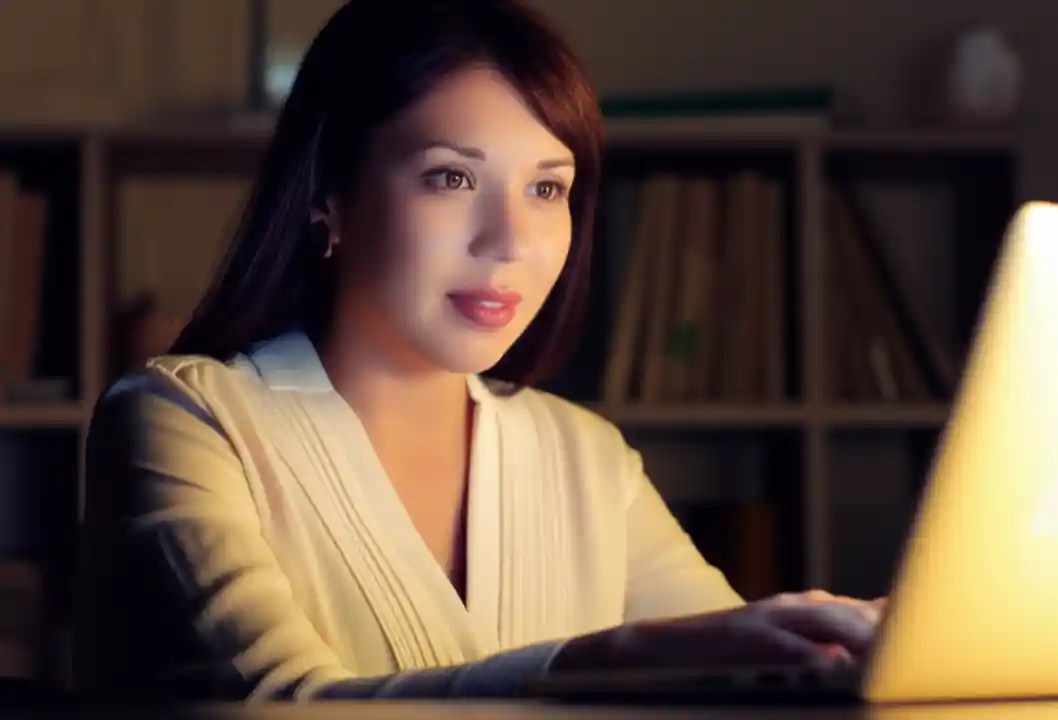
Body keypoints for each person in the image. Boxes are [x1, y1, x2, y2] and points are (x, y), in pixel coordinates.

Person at [74, 0, 884, 702]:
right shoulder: (185, 418)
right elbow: (283, 700)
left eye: (547, 189)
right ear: (329, 196)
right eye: (451, 179)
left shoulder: (585, 457)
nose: (511, 243)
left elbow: (739, 664)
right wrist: (617, 656)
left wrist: (844, 644)